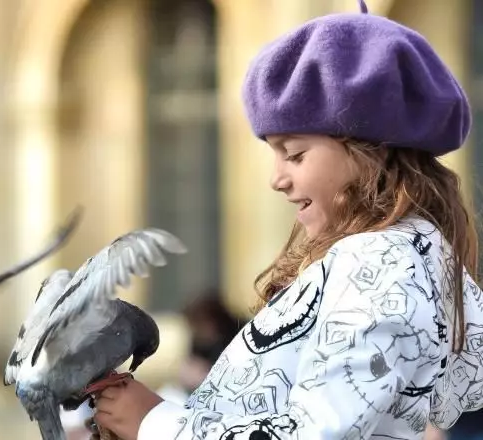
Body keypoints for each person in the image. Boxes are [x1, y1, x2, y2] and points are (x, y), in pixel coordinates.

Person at [90, 1, 483, 439]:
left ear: (369, 151)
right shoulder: (408, 255)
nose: (276, 179)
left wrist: (155, 423)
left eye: (294, 154)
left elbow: (316, 433)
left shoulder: (379, 263)